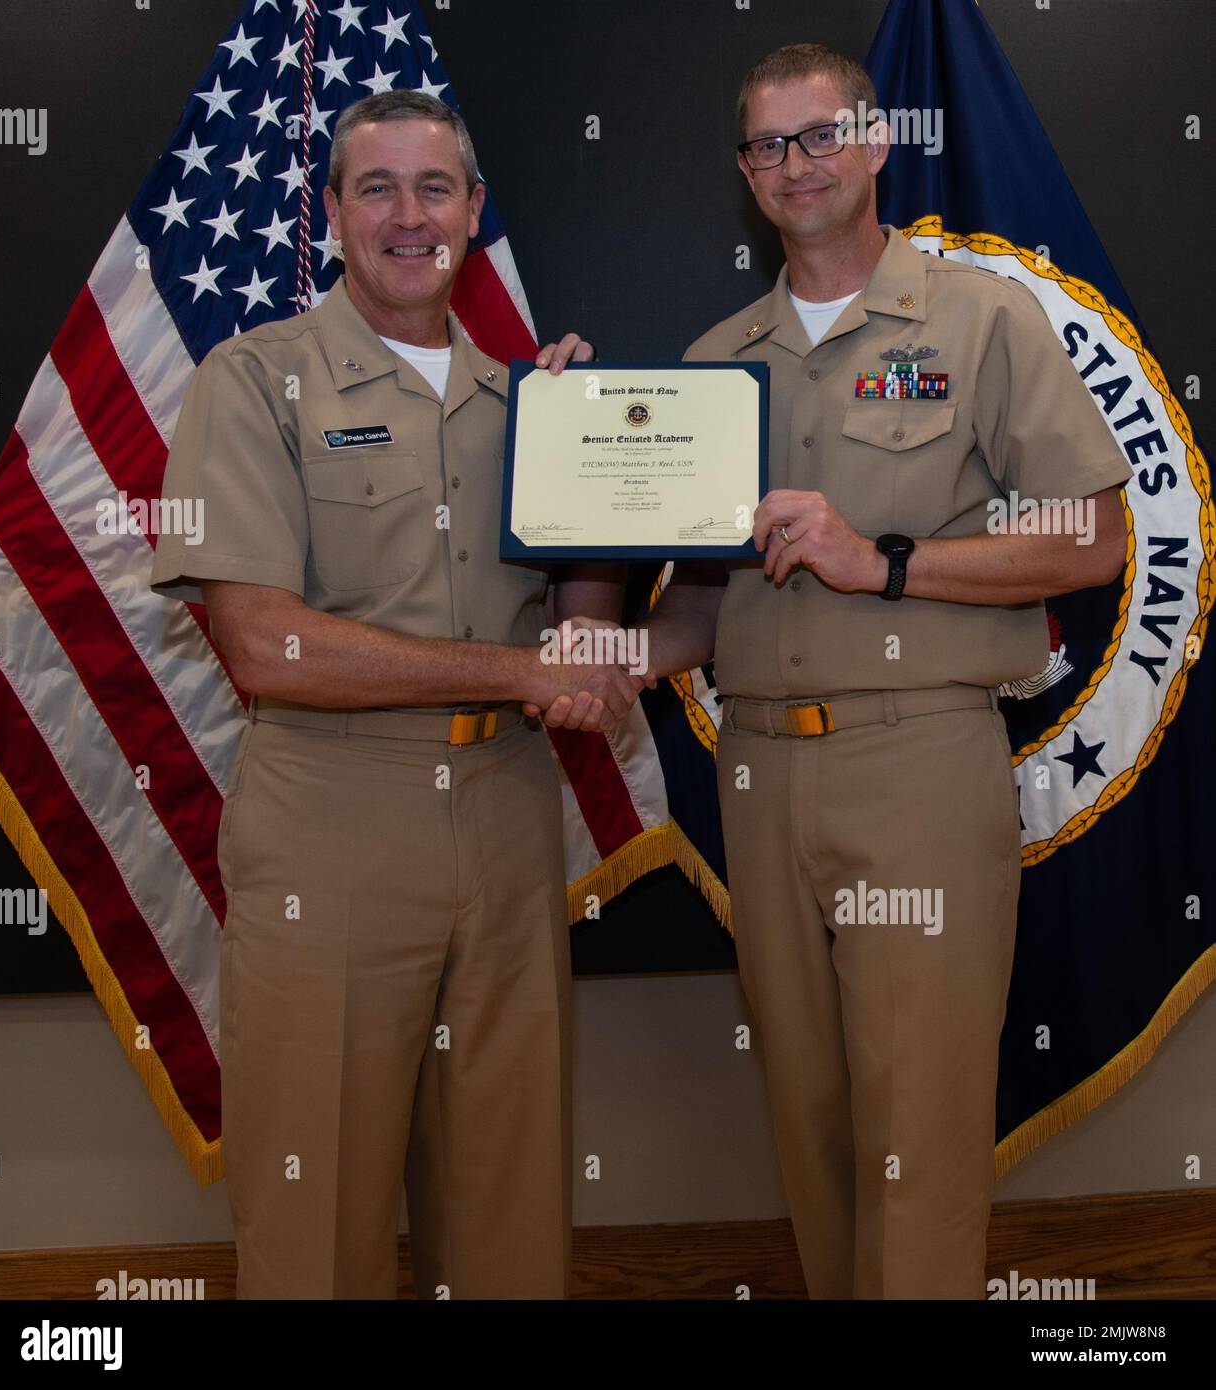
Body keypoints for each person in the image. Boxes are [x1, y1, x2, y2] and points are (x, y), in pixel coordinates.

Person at [551, 43, 1131, 1299]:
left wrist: (886, 562)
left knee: (916, 1128)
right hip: (758, 771)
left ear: (877, 145)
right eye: (767, 146)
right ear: (746, 175)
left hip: (915, 759)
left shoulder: (977, 317)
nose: (795, 166)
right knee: (809, 1120)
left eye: (820, 137)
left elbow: (1093, 541)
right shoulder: (715, 364)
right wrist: (591, 653)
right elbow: (696, 610)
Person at [151, 90, 636, 1300]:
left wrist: (593, 489)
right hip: (332, 822)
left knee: (511, 1211)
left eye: (435, 188)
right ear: (333, 214)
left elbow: (579, 615)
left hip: (510, 816)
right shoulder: (251, 381)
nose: (408, 215)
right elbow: (264, 645)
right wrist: (529, 672)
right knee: (317, 1226)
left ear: (474, 211)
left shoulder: (532, 403)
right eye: (376, 188)